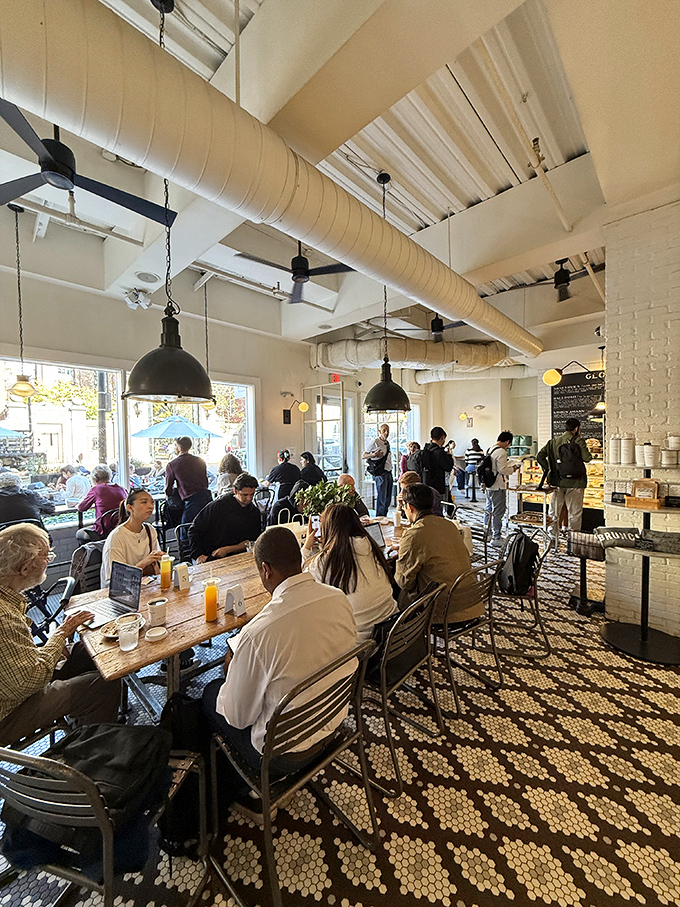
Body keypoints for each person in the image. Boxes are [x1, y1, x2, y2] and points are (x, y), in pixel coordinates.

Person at [201, 526, 357, 818]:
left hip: (282, 755)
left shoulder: (258, 634)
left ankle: (243, 789)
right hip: (333, 722)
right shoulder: (338, 599)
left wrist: (231, 673)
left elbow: (237, 717)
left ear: (265, 570)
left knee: (209, 694)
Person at [0, 523, 121, 746]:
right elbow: (29, 680)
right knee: (105, 685)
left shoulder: (8, 597)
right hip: (9, 712)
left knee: (90, 651)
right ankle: (91, 753)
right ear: (25, 568)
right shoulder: (3, 615)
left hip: (15, 683)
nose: (49, 561)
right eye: (47, 556)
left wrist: (52, 648)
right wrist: (62, 633)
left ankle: (83, 721)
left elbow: (12, 657)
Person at [302, 503, 396, 642]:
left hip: (361, 643)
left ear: (328, 529)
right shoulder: (370, 545)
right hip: (392, 629)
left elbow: (301, 583)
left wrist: (306, 548)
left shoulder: (326, 561)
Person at [392, 483, 479, 623]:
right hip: (470, 600)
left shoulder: (414, 534)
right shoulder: (448, 525)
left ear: (410, 507)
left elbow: (404, 582)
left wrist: (403, 551)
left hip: (444, 609)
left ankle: (399, 639)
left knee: (393, 590)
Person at [537, 418, 593, 537]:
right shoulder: (579, 441)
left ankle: (552, 538)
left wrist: (547, 469)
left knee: (554, 512)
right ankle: (573, 541)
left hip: (557, 481)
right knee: (574, 513)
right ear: (577, 428)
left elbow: (540, 456)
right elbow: (587, 458)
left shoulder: (553, 442)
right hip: (576, 482)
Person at [189, 473, 262, 563]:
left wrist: (228, 549)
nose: (249, 498)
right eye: (245, 495)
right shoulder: (218, 506)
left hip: (238, 555)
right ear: (235, 491)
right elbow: (194, 530)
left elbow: (253, 541)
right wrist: (198, 555)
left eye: (252, 494)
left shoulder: (254, 512)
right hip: (212, 555)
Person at [101, 488, 165, 584]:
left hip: (147, 585)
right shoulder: (117, 537)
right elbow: (116, 577)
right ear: (130, 508)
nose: (151, 506)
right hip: (121, 591)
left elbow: (155, 565)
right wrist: (144, 563)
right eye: (144, 502)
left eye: (152, 502)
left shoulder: (149, 529)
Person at [165, 436, 212, 527]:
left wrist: (169, 495)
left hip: (192, 500)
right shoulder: (200, 461)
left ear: (179, 448)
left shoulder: (172, 465)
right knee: (207, 528)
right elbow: (205, 482)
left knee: (185, 532)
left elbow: (168, 487)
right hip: (207, 497)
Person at [483, 431, 520, 547]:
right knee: (499, 511)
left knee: (489, 509)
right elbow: (502, 470)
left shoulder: (490, 449)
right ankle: (496, 537)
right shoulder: (502, 452)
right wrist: (513, 468)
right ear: (507, 442)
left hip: (489, 485)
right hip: (498, 485)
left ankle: (487, 533)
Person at [75, 464, 127, 542]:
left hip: (104, 530)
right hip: (121, 527)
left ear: (95, 479)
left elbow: (82, 508)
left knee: (79, 533)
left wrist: (76, 505)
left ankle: (89, 552)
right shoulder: (122, 489)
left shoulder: (96, 489)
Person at [362, 423, 392, 517]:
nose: (386, 433)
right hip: (380, 473)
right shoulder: (375, 442)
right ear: (380, 431)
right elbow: (363, 455)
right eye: (384, 431)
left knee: (388, 498)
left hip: (388, 471)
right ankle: (379, 518)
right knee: (382, 498)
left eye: (387, 430)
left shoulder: (387, 443)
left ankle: (384, 517)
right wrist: (374, 455)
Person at [422, 427, 454, 497]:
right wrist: (449, 456)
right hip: (437, 485)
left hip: (425, 483)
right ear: (442, 437)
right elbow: (448, 467)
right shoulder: (439, 452)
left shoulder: (426, 449)